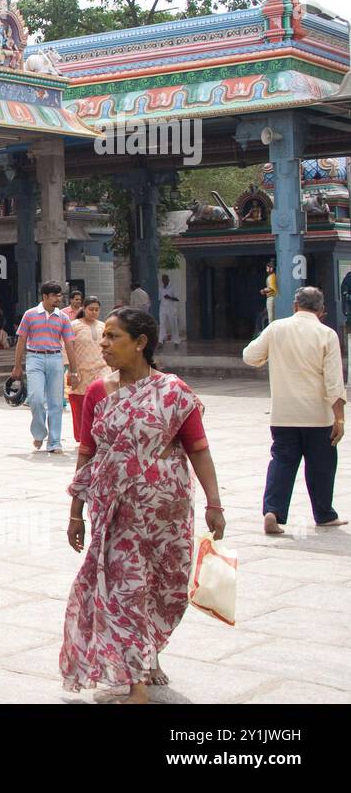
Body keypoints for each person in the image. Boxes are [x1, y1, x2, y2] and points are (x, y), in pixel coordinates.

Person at [61, 308, 225, 703]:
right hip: (116, 511)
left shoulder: (173, 390)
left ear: (141, 343)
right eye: (104, 337)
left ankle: (148, 654)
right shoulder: (99, 391)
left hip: (167, 512)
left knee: (164, 588)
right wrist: (74, 512)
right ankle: (135, 679)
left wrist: (214, 503)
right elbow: (88, 453)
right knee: (125, 589)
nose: (103, 344)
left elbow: (198, 450)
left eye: (113, 337)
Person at [242, 287, 348, 534]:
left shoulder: (277, 328)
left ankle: (273, 511)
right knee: (321, 465)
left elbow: (249, 355)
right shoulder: (326, 334)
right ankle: (324, 514)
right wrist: (340, 419)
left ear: (294, 306)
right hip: (317, 416)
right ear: (321, 311)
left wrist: (269, 356)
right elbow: (334, 381)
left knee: (282, 461)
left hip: (283, 414)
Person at [11, 280, 79, 453]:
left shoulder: (63, 317)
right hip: (35, 358)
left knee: (56, 402)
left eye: (60, 295)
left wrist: (74, 369)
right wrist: (17, 366)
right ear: (45, 296)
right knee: (36, 399)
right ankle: (39, 433)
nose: (59, 298)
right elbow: (21, 340)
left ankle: (55, 442)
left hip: (56, 359)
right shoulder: (30, 314)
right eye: (56, 295)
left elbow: (69, 344)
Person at [67, 296, 108, 441]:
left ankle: (101, 435)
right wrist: (72, 370)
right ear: (83, 309)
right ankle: (84, 437)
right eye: (91, 309)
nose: (94, 312)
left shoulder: (104, 326)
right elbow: (68, 348)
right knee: (81, 405)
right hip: (81, 370)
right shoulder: (74, 325)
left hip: (102, 369)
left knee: (103, 402)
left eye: (97, 310)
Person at [158, 274, 182, 347]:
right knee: (162, 325)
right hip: (162, 308)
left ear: (168, 279)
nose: (164, 281)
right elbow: (160, 299)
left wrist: (169, 297)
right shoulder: (160, 288)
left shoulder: (173, 287)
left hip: (171, 309)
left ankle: (176, 341)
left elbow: (177, 299)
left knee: (173, 325)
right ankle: (161, 341)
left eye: (165, 279)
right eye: (163, 279)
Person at [261, 260, 278, 326]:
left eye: (267, 268)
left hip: (271, 297)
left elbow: (271, 288)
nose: (266, 269)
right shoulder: (272, 276)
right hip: (272, 297)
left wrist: (264, 290)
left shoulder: (271, 277)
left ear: (271, 268)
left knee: (271, 318)